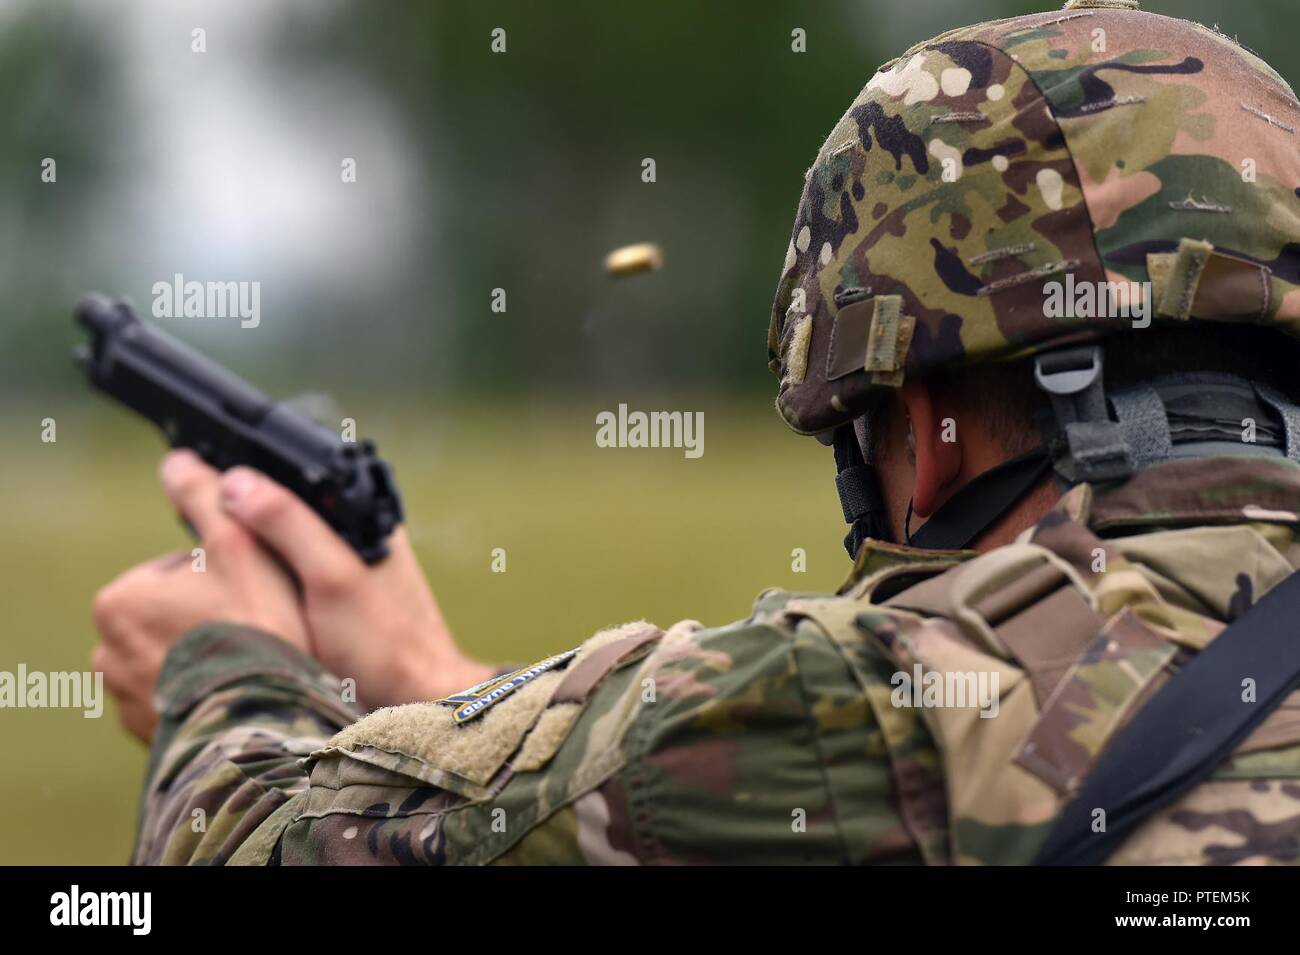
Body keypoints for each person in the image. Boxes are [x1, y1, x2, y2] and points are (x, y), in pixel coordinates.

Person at [96, 0, 1300, 865]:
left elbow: (239, 838)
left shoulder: (853, 712)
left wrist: (224, 669)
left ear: (924, 432)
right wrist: (425, 683)